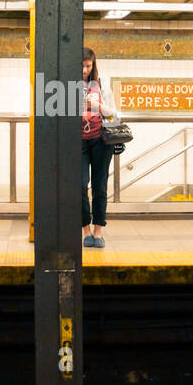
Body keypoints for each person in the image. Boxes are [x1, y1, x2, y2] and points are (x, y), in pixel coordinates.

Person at [81, 47, 116, 248]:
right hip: (79, 142)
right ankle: (85, 229)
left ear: (93, 65)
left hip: (100, 142)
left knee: (100, 187)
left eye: (88, 66)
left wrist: (98, 107)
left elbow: (113, 115)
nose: (84, 70)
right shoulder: (69, 87)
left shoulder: (101, 85)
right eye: (81, 66)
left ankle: (98, 231)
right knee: (80, 186)